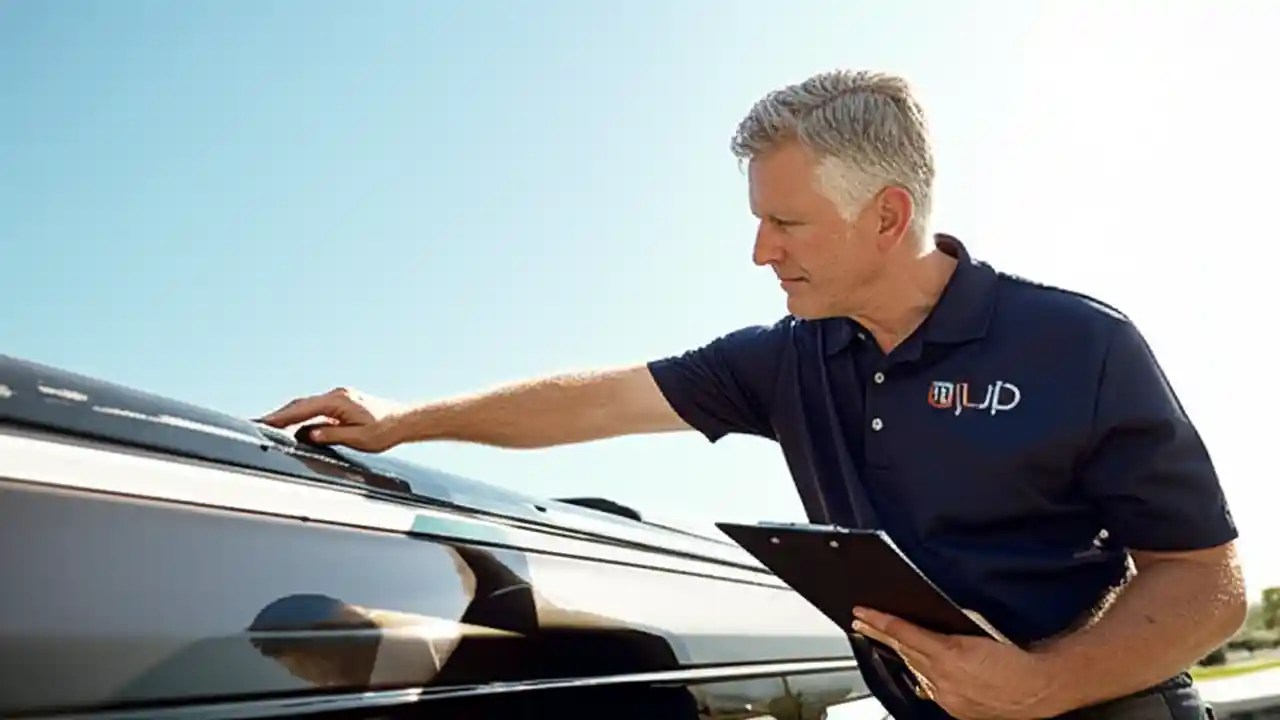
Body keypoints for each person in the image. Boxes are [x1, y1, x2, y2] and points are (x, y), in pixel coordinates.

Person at [259, 69, 1246, 720]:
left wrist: (1040, 687)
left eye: (787, 223)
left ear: (887, 217)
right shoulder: (786, 361)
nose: (759, 252)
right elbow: (596, 403)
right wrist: (408, 419)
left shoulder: (1078, 344)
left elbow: (1208, 584)